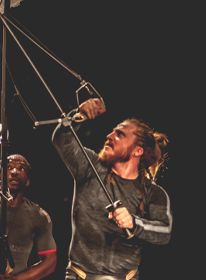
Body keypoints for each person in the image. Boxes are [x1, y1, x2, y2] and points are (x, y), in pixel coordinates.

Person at [53, 98, 171, 280]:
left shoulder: (153, 193)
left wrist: (133, 223)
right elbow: (62, 139)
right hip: (79, 275)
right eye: (112, 131)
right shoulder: (90, 166)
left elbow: (164, 232)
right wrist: (79, 115)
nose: (109, 136)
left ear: (137, 151)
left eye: (120, 134)